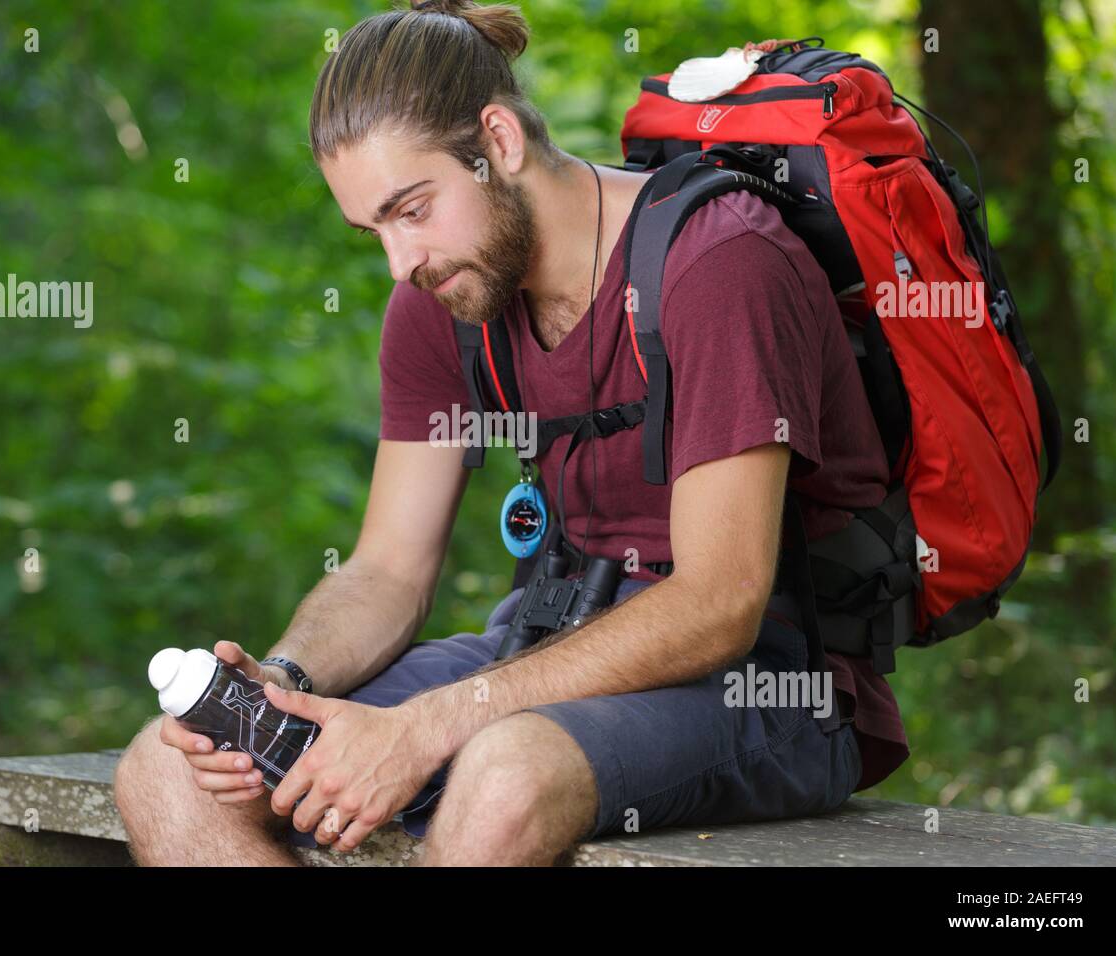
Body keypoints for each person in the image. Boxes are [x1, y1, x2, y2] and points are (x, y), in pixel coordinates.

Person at [113, 0, 910, 867]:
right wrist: (282, 683)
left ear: (498, 141)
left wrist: (432, 725)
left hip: (770, 683)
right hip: (544, 647)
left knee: (501, 773)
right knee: (165, 767)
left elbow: (719, 604)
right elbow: (386, 570)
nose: (398, 262)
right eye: (372, 229)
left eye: (411, 208)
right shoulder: (440, 300)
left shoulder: (718, 267)